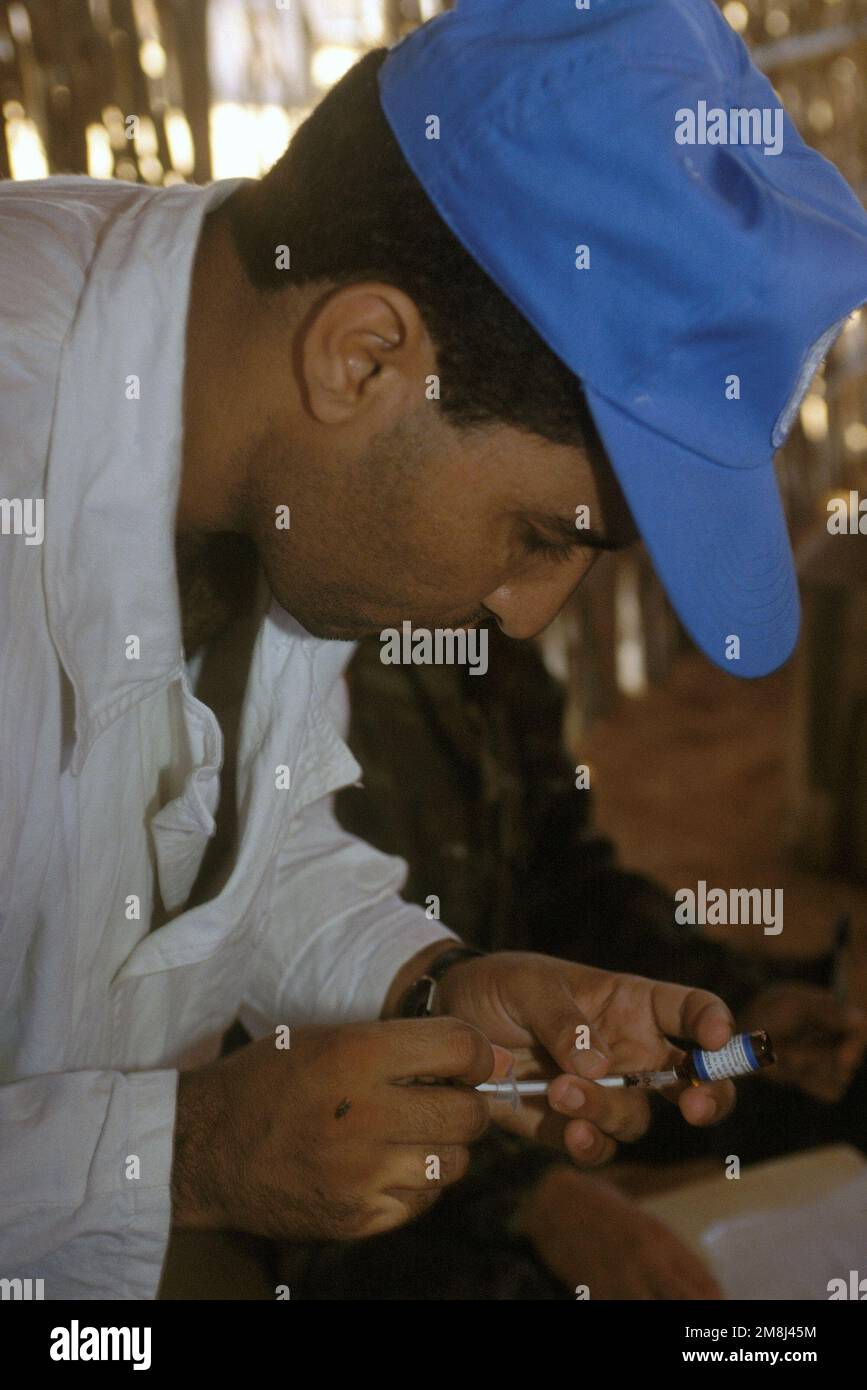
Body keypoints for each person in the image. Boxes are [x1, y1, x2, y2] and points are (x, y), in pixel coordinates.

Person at [2, 1, 867, 1299]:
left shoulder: (234, 414)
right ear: (362, 358)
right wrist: (176, 1161)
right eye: (539, 533)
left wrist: (427, 980)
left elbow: (245, 846)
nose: (524, 615)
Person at [272, 626, 867, 1299]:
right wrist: (531, 1197)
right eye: (548, 537)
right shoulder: (299, 649)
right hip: (341, 1152)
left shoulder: (492, 644)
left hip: (523, 1073)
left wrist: (737, 999)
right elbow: (278, 1027)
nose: (536, 604)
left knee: (840, 1092)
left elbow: (566, 882)